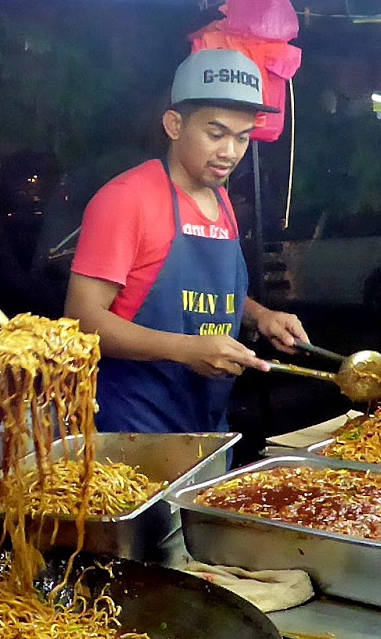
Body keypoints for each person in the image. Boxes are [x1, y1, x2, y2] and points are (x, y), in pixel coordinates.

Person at [64, 49, 308, 433]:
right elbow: (81, 321)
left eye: (242, 138)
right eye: (216, 134)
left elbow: (206, 291)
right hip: (131, 428)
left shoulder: (221, 199)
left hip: (205, 423)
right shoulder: (126, 199)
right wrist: (185, 349)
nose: (230, 152)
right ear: (174, 125)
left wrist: (260, 316)